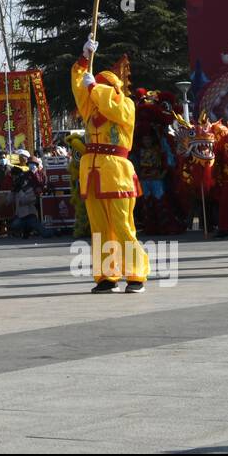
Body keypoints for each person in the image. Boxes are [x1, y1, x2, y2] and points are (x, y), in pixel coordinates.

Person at [72, 40, 147, 292]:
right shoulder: (91, 111)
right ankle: (107, 276)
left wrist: (94, 86)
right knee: (99, 227)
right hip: (93, 172)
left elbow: (111, 105)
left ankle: (136, 275)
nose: (93, 91)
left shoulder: (126, 106)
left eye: (103, 87)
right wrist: (84, 60)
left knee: (123, 225)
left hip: (116, 172)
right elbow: (79, 89)